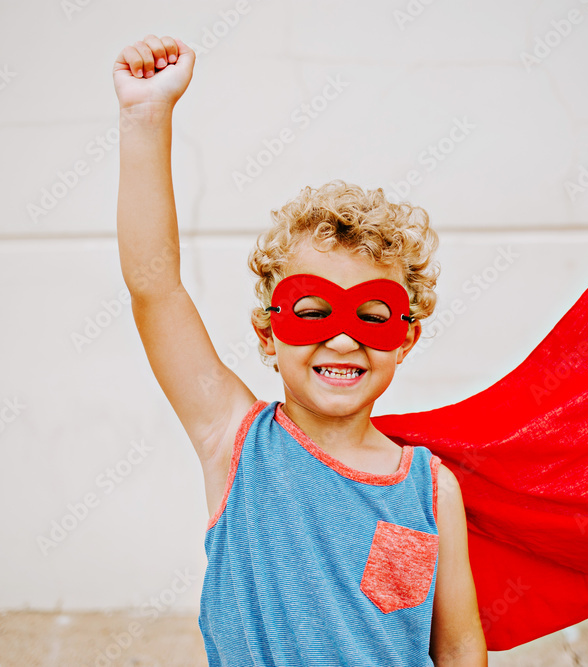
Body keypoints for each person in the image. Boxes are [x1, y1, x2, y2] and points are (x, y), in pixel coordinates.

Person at [112, 34, 488, 666]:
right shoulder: (233, 440)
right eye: (313, 312)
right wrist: (145, 118)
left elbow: (457, 644)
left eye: (372, 317)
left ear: (405, 339)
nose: (341, 337)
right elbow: (155, 286)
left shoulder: (430, 490)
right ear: (268, 332)